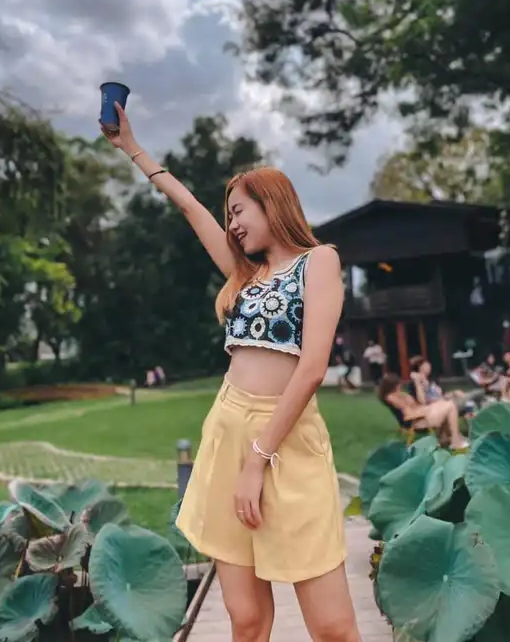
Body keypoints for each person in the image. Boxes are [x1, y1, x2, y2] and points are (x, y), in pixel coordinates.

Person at [102, 102, 361, 642]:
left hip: (286, 441)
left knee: (333, 627)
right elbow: (190, 207)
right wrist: (132, 148)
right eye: (229, 217)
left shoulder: (319, 262)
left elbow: (312, 369)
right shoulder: (245, 274)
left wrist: (258, 459)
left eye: (240, 211)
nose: (233, 225)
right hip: (227, 431)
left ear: (273, 204)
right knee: (247, 620)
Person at [378, 373, 469, 449]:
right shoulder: (391, 397)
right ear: (392, 385)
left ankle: (447, 437)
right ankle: (454, 440)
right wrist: (423, 410)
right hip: (416, 421)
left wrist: (422, 405)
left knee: (448, 404)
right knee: (450, 406)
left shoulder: (400, 394)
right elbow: (408, 413)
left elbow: (418, 404)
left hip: (421, 414)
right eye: (398, 384)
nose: (400, 386)